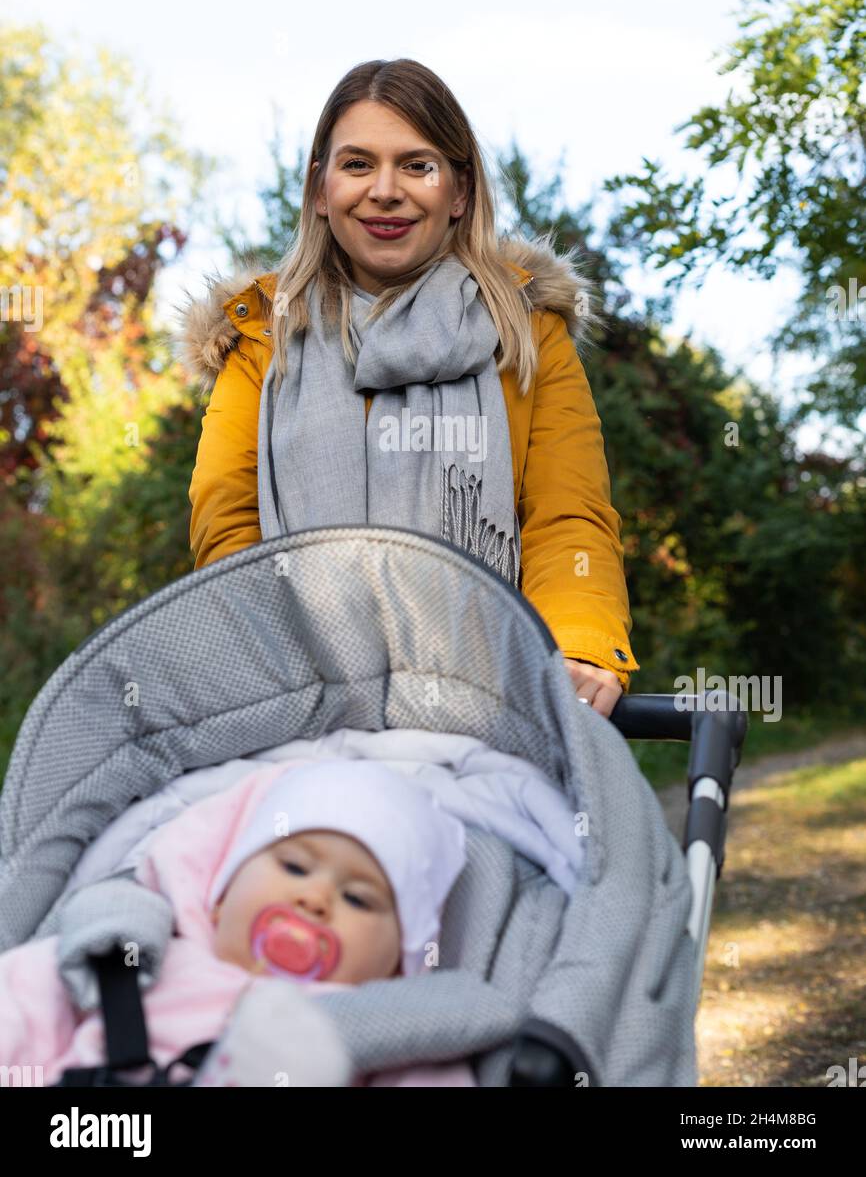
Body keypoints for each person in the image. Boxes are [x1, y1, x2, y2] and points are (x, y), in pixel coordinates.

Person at [179, 58, 639, 717]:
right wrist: (263, 671)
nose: (386, 190)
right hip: (304, 709)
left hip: (485, 701)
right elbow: (230, 532)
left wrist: (581, 648)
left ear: (459, 193)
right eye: (358, 164)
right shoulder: (259, 340)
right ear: (320, 189)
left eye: (417, 165)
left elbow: (567, 519)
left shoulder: (528, 332)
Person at [0, 759, 476, 1087]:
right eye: (293, 867)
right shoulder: (141, 956)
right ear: (221, 899)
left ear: (397, 964)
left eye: (357, 898)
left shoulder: (385, 1032)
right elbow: (21, 1006)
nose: (314, 899)